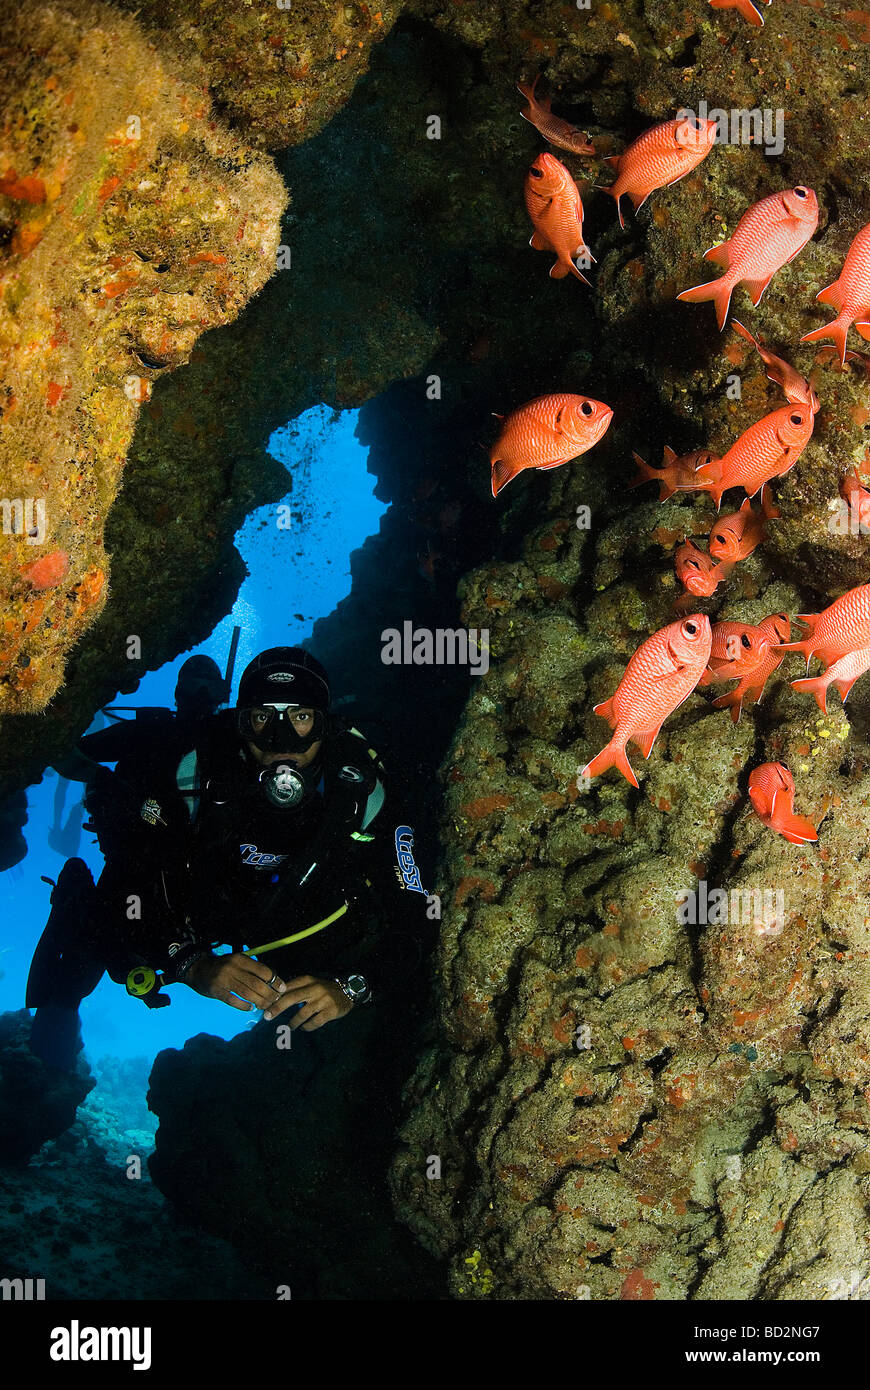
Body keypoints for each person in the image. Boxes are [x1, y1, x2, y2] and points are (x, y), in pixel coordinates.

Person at [27, 647, 427, 1064]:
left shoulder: (366, 793)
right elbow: (132, 886)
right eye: (261, 718)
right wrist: (191, 964)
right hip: (204, 916)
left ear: (327, 726)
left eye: (301, 718)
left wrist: (350, 988)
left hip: (294, 931)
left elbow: (416, 918)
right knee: (112, 936)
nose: (280, 741)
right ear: (241, 723)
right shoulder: (192, 777)